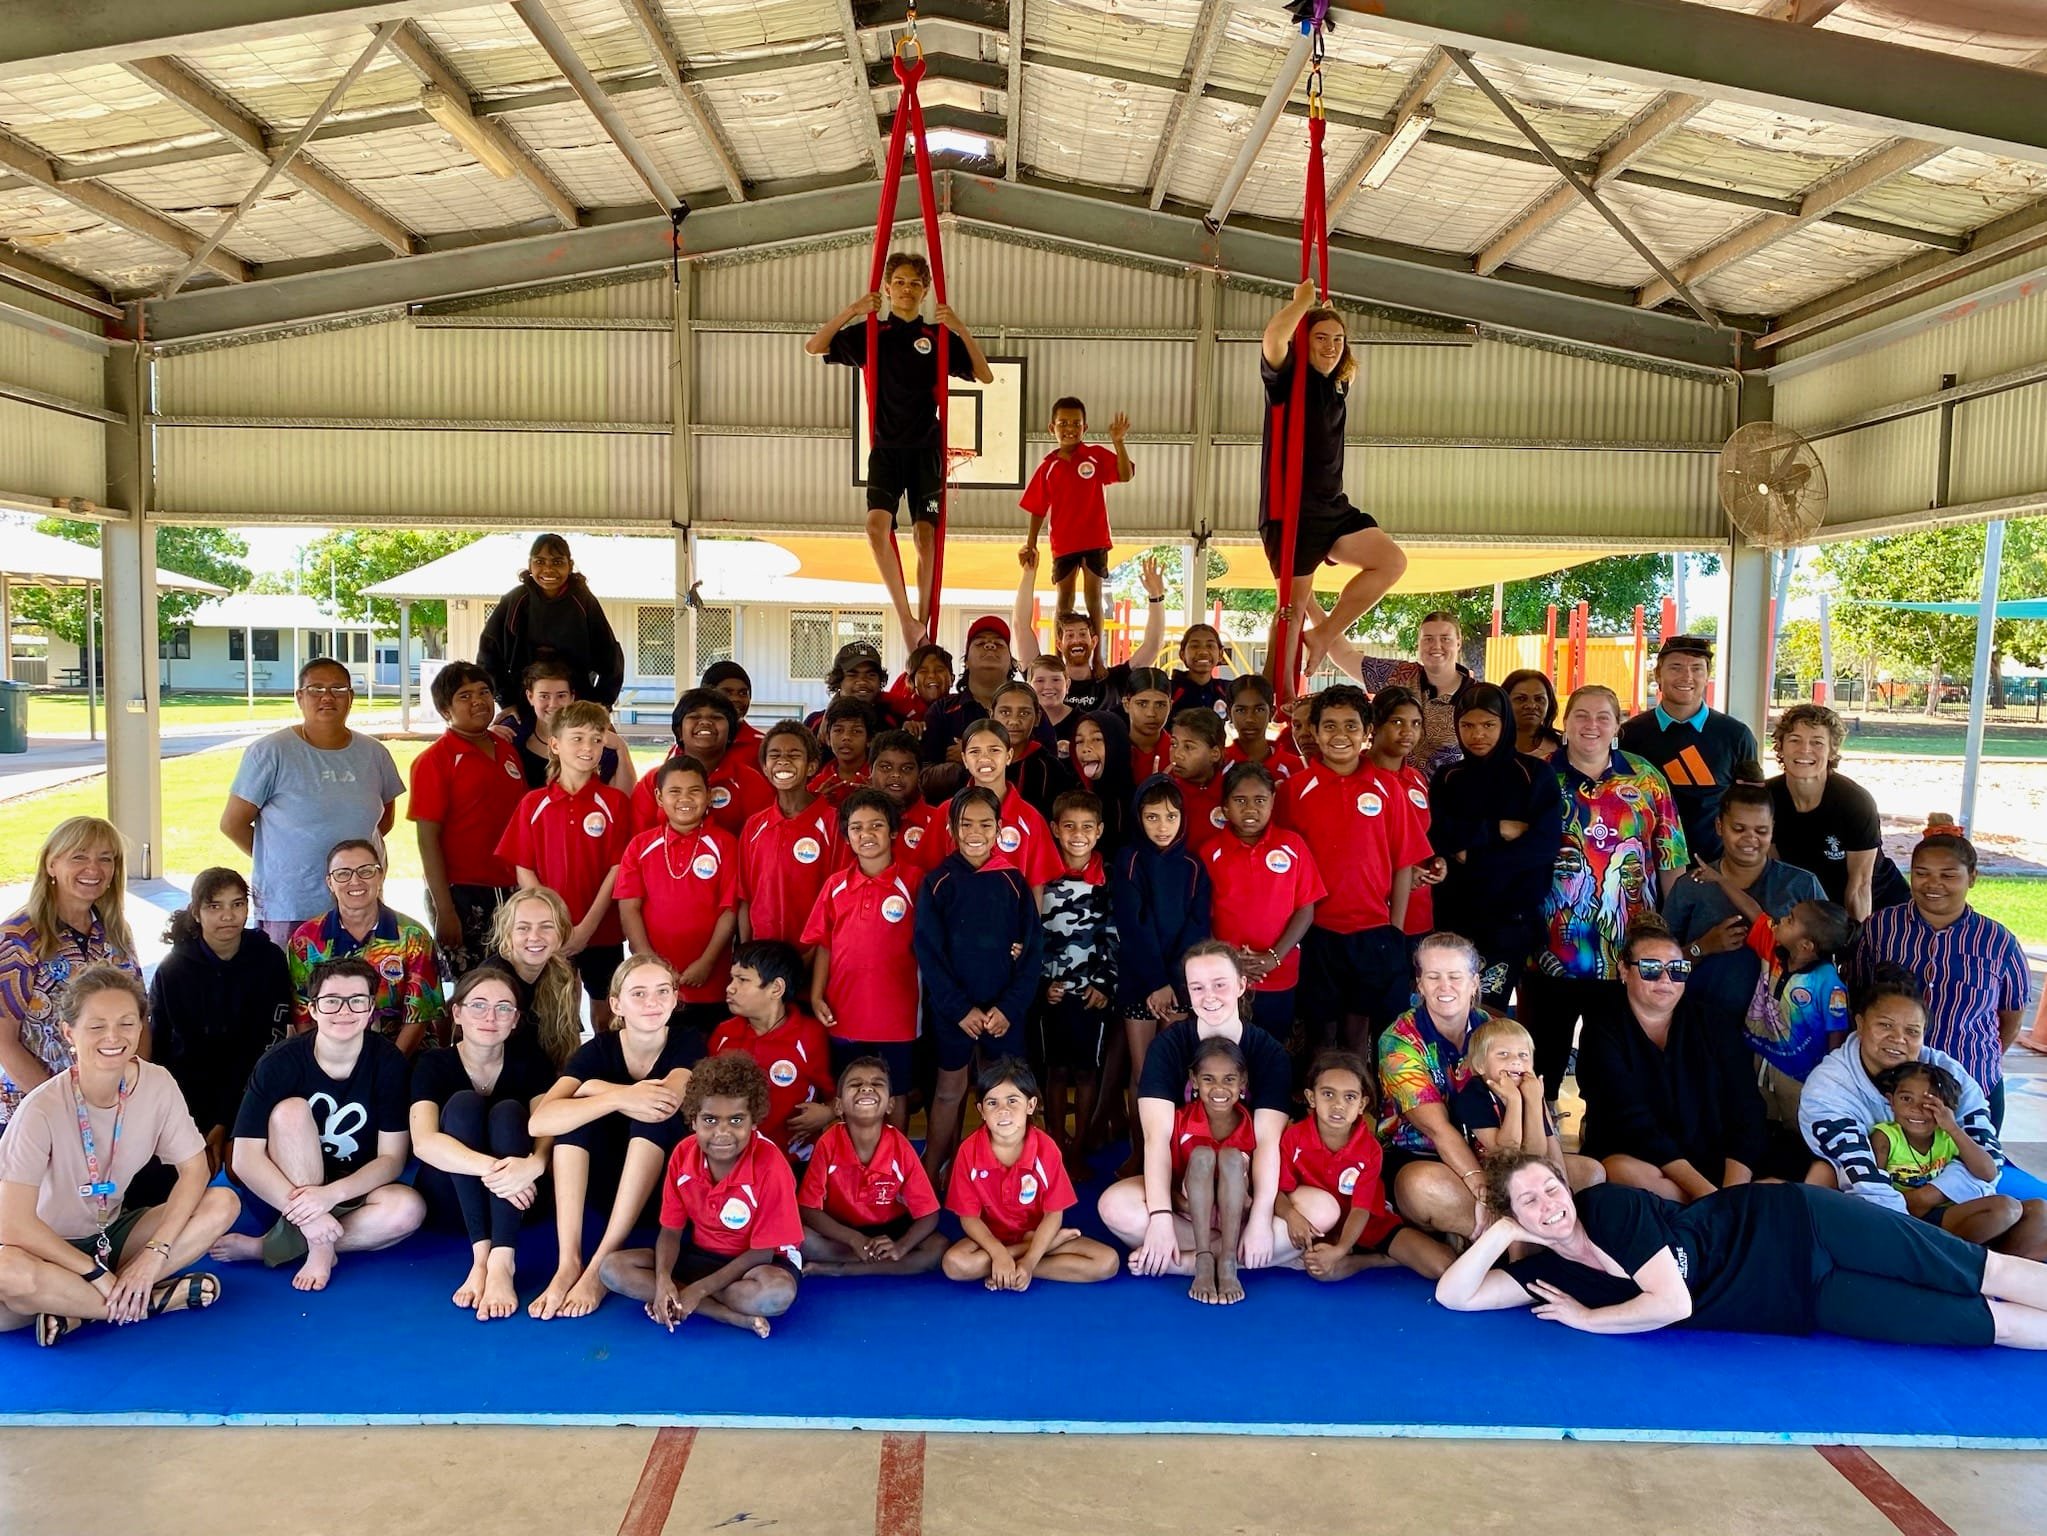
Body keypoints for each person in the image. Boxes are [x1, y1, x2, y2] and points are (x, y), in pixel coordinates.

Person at [1438, 1149, 2047, 1349]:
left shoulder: (1610, 1209)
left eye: (1550, 1187)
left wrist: (1591, 1318)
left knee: (1969, 1270)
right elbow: (1455, 1296)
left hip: (1797, 1225)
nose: (1549, 1206)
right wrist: (1496, 1234)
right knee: (1967, 1321)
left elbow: (1671, 1303)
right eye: (1529, 1204)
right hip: (1798, 1300)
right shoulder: (1548, 1273)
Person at [0, 965, 238, 1346]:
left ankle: (82, 1306)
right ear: (68, 1033)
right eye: (96, 1026)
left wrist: (153, 1256)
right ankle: (149, 1300)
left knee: (222, 1202)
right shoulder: (40, 1109)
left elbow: (195, 1170)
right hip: (44, 1251)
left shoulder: (157, 1083)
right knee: (7, 1273)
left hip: (111, 1235)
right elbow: (13, 1225)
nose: (113, 1037)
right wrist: (93, 1274)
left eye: (127, 1023)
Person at [809, 251, 994, 652]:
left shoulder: (936, 336)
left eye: (915, 283)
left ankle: (922, 624)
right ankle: (906, 617)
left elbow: (984, 374)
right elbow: (815, 346)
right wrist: (854, 310)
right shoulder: (873, 332)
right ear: (888, 288)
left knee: (926, 538)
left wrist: (960, 328)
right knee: (876, 529)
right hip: (888, 449)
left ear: (925, 290)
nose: (907, 289)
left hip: (927, 448)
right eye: (900, 282)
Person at [1799, 966, 2047, 1264]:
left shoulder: (1947, 1073)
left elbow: (1988, 1154)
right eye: (1885, 1026)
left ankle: (1983, 1283)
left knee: (2036, 1212)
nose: (1898, 1039)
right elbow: (1862, 1177)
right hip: (1875, 1213)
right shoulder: (1828, 1086)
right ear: (1861, 1025)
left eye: (1912, 1031)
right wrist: (1909, 1228)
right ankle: (1952, 1272)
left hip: (1936, 1199)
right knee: (1821, 1174)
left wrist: (1927, 1196)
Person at [215, 956, 425, 1293]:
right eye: (331, 1002)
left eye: (357, 1001)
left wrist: (329, 1196)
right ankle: (317, 1245)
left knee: (407, 1210)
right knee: (291, 1112)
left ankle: (268, 1247)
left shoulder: (389, 1064)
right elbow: (244, 1159)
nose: (344, 1011)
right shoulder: (279, 1063)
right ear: (313, 1009)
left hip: (351, 1190)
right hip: (282, 1195)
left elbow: (391, 1160)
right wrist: (308, 1214)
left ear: (371, 1008)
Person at [1521, 683, 1687, 1104]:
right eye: (1581, 715)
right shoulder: (1536, 775)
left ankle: (1608, 1138)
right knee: (1544, 1060)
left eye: (1602, 717)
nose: (1591, 725)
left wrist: (1671, 938)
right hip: (1549, 950)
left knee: (1614, 1063)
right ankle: (1543, 1137)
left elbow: (1670, 859)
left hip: (1626, 953)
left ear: (1617, 726)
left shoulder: (1647, 780)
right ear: (1564, 722)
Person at [1097, 942, 1296, 1280]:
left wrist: (1261, 1218)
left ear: (1241, 985)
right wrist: (1161, 1216)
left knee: (1322, 1210)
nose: (1210, 996)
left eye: (1220, 984)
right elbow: (1156, 1139)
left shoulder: (1268, 1052)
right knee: (1115, 1207)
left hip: (1245, 1194)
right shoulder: (1169, 1046)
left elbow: (1267, 1143)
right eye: (1197, 987)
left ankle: (1185, 1261)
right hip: (1185, 1194)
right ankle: (1237, 1257)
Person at [527, 954, 703, 1320]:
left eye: (662, 991)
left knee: (650, 1119)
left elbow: (666, 1103)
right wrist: (620, 1096)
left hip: (658, 1194)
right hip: (604, 1187)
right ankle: (568, 1262)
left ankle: (599, 1266)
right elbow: (540, 1122)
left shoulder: (689, 1042)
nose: (652, 1002)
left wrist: (592, 1090)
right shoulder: (598, 1050)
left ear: (675, 998)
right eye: (638, 993)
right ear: (617, 1004)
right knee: (573, 1121)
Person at [1259, 281, 1407, 681]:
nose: (1331, 346)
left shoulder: (1337, 385)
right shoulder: (1287, 379)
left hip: (1332, 508)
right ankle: (1280, 696)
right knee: (1290, 610)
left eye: (1338, 339)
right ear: (1304, 343)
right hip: (1292, 512)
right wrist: (1302, 305)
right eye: (1321, 338)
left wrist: (1323, 311)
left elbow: (1344, 364)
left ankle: (1324, 634)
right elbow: (1274, 337)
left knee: (1391, 561)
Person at [600, 1050, 802, 1338]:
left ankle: (687, 1300)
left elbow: (762, 1251)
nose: (722, 1132)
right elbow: (670, 1232)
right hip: (700, 1257)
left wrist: (699, 1289)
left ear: (753, 1121)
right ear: (693, 1120)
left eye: (735, 1121)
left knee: (775, 1295)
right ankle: (726, 1315)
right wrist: (662, 1280)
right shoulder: (683, 1154)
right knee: (612, 1269)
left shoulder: (771, 1164)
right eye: (709, 1120)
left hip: (756, 1263)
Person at [1575, 914, 1771, 1205]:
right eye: (1651, 969)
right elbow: (1631, 1121)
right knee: (1621, 1172)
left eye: (1677, 969)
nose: (1666, 979)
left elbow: (1746, 1107)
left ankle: (1719, 1210)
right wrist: (1708, 1197)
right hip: (1644, 1160)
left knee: (1785, 1178)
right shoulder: (1602, 1030)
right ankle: (1710, 1213)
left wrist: (1731, 1194)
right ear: (1624, 971)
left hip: (1714, 1159)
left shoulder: (1713, 1022)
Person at [1278, 684, 1429, 1054]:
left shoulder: (1388, 789)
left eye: (1351, 726)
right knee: (1319, 1033)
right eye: (1329, 726)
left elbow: (1404, 863)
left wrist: (1394, 930)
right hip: (1316, 932)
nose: (1340, 735)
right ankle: (1319, 1104)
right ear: (1313, 732)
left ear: (1367, 732)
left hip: (1375, 933)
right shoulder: (1293, 791)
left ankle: (1368, 1105)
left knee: (1366, 1034)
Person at [1848, 821, 2028, 1130]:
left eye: (1948, 875)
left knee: (1971, 1174)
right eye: (1922, 873)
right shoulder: (1881, 928)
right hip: (1890, 1089)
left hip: (1971, 1083)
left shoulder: (1997, 941)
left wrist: (1981, 1057)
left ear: (1972, 877)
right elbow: (1859, 993)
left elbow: (2010, 1015)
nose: (1933, 884)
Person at [220, 657, 403, 942]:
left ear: (351, 697)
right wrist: (280, 860)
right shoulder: (269, 752)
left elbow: (384, 819)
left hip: (357, 906)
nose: (327, 697)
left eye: (338, 689)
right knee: (292, 986)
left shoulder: (374, 754)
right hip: (291, 905)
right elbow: (233, 824)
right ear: (299, 696)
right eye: (316, 689)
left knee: (359, 985)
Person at [407, 968, 554, 1322]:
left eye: (504, 1008)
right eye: (479, 1005)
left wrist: (534, 1164)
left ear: (515, 1020)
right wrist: (494, 1170)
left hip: (520, 1201)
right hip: (454, 1202)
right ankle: (481, 1256)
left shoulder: (530, 1061)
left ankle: (502, 1262)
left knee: (508, 1112)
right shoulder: (433, 1063)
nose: (491, 1016)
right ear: (457, 1013)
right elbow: (424, 1143)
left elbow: (549, 1127)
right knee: (463, 1104)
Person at [914, 785, 1043, 1183]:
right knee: (949, 1092)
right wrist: (959, 1010)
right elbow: (929, 954)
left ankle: (1004, 1176)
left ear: (999, 828)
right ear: (951, 829)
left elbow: (1033, 950)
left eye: (985, 824)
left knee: (1005, 1095)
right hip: (955, 1014)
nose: (976, 832)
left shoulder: (1013, 881)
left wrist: (1009, 1008)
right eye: (966, 824)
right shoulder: (938, 882)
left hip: (1004, 1014)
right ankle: (930, 1174)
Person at [495, 699, 635, 1028]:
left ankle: (602, 1072)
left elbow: (618, 868)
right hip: (549, 935)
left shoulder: (614, 803)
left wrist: (585, 928)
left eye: (597, 739)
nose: (588, 748)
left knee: (607, 1012)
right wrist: (554, 925)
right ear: (555, 745)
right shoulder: (534, 803)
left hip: (602, 930)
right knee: (557, 1010)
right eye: (577, 738)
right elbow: (523, 867)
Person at [0, 816, 141, 1136]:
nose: (94, 868)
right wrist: (65, 1108)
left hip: (108, 1110)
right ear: (51, 864)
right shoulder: (19, 937)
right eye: (79, 856)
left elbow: (139, 1017)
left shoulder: (116, 933)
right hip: (36, 1113)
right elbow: (3, 1043)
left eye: (105, 858)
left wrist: (133, 1091)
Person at [1427, 685, 1564, 1007]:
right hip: (1454, 918)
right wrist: (1495, 829)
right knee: (1450, 1008)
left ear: (1505, 725)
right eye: (1468, 725)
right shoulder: (1448, 777)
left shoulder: (1534, 775)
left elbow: (1541, 847)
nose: (1478, 735)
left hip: (1510, 920)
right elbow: (1439, 835)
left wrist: (1469, 855)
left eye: (1488, 725)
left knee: (1490, 1011)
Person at [151, 868, 293, 1172]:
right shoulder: (173, 970)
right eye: (215, 906)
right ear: (197, 913)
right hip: (187, 1092)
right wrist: (197, 1120)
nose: (228, 916)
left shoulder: (269, 960)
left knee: (241, 1166)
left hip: (251, 1085)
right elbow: (163, 1051)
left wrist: (226, 1120)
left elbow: (266, 1043)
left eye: (237, 904)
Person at [1275, 1050, 1453, 1284]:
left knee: (1442, 1266)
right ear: (1311, 1098)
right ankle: (1356, 1258)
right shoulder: (1292, 1138)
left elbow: (1361, 1210)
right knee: (1322, 1272)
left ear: (1362, 1104)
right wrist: (1291, 1216)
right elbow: (1276, 1190)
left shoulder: (1369, 1149)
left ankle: (1371, 1259)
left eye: (1350, 1097)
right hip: (1321, 1228)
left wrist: (1340, 1249)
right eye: (1328, 1094)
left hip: (1368, 1225)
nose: (1338, 1105)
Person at [941, 1059, 1118, 1289]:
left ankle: (1014, 1270)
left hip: (1038, 1236)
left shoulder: (1046, 1149)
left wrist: (1029, 1263)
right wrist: (998, 1253)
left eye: (1013, 1100)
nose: (1003, 1110)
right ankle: (1024, 1255)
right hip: (990, 1239)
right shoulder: (968, 1151)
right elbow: (969, 1217)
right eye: (992, 1102)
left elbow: (1053, 1215)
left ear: (1031, 1105)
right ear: (981, 1111)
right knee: (954, 1264)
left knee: (1107, 1262)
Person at [805, 790, 923, 1128]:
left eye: (876, 826)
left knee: (894, 1093)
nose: (866, 834)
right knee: (848, 1091)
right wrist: (816, 995)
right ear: (846, 836)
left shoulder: (915, 882)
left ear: (894, 832)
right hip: (844, 1012)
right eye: (856, 828)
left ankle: (893, 1165)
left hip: (897, 1014)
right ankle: (850, 1164)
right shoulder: (834, 886)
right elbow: (824, 945)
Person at [1691, 873, 1857, 1115]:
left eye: (1790, 920)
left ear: (1806, 946)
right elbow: (1753, 910)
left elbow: (1837, 1032)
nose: (1780, 919)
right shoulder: (1773, 947)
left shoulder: (1828, 984)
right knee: (1758, 1116)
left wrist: (1829, 1077)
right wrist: (1720, 879)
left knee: (1796, 1125)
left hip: (1800, 1074)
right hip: (1759, 1057)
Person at [1661, 782, 1825, 1022]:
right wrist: (1703, 947)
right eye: (1738, 828)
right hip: (1701, 1025)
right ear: (1719, 826)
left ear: (1773, 830)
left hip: (1783, 1033)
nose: (1750, 839)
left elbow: (1827, 958)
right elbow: (1659, 967)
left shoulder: (1801, 885)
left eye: (1761, 831)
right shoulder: (1690, 886)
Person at [1110, 779, 1211, 1166]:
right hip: (1142, 982)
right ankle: (1140, 1151)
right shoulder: (1129, 860)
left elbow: (1196, 926)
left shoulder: (1193, 865)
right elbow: (1133, 927)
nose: (1162, 825)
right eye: (1152, 817)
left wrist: (1173, 982)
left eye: (1171, 816)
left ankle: (1170, 1153)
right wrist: (1156, 982)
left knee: (1173, 1071)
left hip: (1181, 984)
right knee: (1142, 1070)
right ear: (1139, 818)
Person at [410, 660, 527, 976]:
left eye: (484, 691)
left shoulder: (507, 749)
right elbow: (427, 839)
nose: (478, 701)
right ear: (445, 709)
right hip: (462, 893)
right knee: (473, 989)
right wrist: (445, 909)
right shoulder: (434, 761)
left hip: (513, 889)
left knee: (516, 983)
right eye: (464, 695)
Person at [1375, 933, 1494, 1240]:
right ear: (1420, 984)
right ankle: (1504, 1237)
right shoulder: (1398, 1040)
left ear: (1474, 982)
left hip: (1491, 1152)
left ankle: (1496, 1235)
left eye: (1455, 976)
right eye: (1433, 976)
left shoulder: (1496, 1033)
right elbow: (1437, 1130)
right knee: (1423, 1186)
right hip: (1421, 1155)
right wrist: (1482, 1188)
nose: (1445, 987)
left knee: (1589, 1174)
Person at [616, 755, 740, 1035]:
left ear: (709, 796)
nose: (685, 798)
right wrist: (649, 961)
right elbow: (629, 909)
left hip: (710, 983)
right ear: (659, 797)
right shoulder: (640, 846)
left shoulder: (726, 845)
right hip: (654, 986)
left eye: (694, 791)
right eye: (675, 791)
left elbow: (729, 910)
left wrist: (706, 962)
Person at [286, 839, 446, 1056]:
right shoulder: (305, 939)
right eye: (343, 873)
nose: (355, 881)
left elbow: (420, 1015)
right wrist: (324, 1062)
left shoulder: (413, 936)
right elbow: (303, 1015)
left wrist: (388, 1067)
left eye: (366, 871)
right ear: (329, 882)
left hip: (402, 1053)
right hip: (329, 1053)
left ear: (380, 876)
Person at [1203, 761, 1323, 1041]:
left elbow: (1306, 909)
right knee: (1225, 1053)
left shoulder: (1293, 846)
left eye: (1259, 800)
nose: (1250, 809)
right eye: (1240, 801)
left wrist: (1274, 958)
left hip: (1278, 976)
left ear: (1272, 802)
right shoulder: (1210, 853)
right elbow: (1202, 917)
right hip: (1225, 978)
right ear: (1224, 807)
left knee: (1271, 1052)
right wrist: (1229, 962)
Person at [1872, 1060, 2046, 1250]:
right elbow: (1874, 1190)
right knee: (2004, 1208)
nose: (1916, 1108)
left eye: (1929, 1103)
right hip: (1915, 1218)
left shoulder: (1947, 1137)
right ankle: (1961, 1265)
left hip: (1953, 1211)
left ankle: (2001, 1270)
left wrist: (1953, 1128)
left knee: (2039, 1210)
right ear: (1891, 1101)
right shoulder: (1886, 1137)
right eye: (1906, 1099)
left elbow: (1988, 1172)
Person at [797, 1056, 947, 1277]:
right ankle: (877, 1261)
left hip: (891, 1229)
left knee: (938, 1248)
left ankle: (845, 1269)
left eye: (877, 1084)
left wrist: (901, 1246)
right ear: (838, 1106)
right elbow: (808, 1209)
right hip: (843, 1231)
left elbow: (929, 1214)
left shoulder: (901, 1147)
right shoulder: (827, 1143)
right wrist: (853, 1238)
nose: (866, 1088)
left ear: (890, 1104)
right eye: (856, 1084)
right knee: (800, 1239)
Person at [1615, 634, 1757, 864]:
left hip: (1716, 870)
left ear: (1707, 676)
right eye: (1676, 667)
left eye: (1697, 668)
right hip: (1645, 866)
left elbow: (1751, 806)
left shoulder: (1736, 735)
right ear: (1657, 676)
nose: (1687, 676)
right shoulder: (1629, 735)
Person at [1036, 789, 1116, 1179]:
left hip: (1090, 997)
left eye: (1087, 827)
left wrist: (1104, 984)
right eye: (1068, 826)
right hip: (1052, 995)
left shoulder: (1108, 880)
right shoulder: (1040, 877)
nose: (1078, 835)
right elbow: (1032, 935)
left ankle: (1078, 1148)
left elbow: (1116, 937)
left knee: (1086, 1072)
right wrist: (1042, 983)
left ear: (1099, 831)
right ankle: (1054, 1146)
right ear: (1054, 829)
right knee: (1054, 1071)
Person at [1766, 703, 1909, 919]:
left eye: (1817, 742)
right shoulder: (1768, 798)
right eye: (1795, 740)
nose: (1805, 750)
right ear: (1781, 746)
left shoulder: (1854, 802)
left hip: (1878, 905)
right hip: (1815, 908)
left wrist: (1853, 941)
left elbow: (1860, 885)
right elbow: (1778, 876)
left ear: (1832, 750)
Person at [706, 942, 834, 1156]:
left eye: (743, 980)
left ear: (776, 988)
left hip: (793, 1161)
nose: (730, 987)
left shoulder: (810, 1037)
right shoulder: (723, 1034)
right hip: (733, 1158)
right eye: (732, 978)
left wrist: (828, 1113)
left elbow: (836, 1092)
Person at [1018, 397, 1133, 628]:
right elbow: (1037, 508)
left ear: (1085, 428)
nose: (1069, 428)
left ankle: (1097, 657)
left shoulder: (1096, 456)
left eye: (1075, 423)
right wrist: (1031, 543)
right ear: (1052, 428)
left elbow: (1125, 475)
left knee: (1094, 598)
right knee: (1064, 599)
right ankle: (1061, 655)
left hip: (1094, 538)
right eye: (1063, 423)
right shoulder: (1048, 466)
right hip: (1064, 542)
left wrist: (1118, 443)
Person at [476, 533, 624, 709]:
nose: (548, 569)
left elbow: (610, 657)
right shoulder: (516, 600)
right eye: (540, 562)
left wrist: (600, 704)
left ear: (570, 565)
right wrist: (507, 701)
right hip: (523, 702)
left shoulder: (583, 601)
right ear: (530, 565)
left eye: (557, 562)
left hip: (575, 702)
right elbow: (489, 654)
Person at [1011, 554, 1168, 717]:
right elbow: (1020, 627)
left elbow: (1152, 646)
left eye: (1082, 634)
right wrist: (1029, 574)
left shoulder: (1112, 681)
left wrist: (1156, 598)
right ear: (1059, 644)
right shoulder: (1045, 679)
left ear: (1093, 641)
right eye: (1070, 635)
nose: (1076, 640)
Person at [927, 717, 1064, 890]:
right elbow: (928, 874)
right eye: (975, 751)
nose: (984, 758)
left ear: (1009, 756)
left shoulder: (1030, 818)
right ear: (964, 759)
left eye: (994, 750)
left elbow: (1036, 886)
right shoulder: (946, 812)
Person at [1170, 1037, 1257, 1305]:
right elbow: (1167, 1182)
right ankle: (1204, 1259)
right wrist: (1183, 1202)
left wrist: (1246, 1204)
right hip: (1191, 1216)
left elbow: (1258, 1187)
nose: (1219, 1088)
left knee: (1231, 1158)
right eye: (1208, 1079)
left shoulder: (1252, 1124)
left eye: (1229, 1079)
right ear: (1194, 1081)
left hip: (1236, 1216)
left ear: (1242, 1081)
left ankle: (1228, 1259)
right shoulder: (1179, 1122)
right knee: (1203, 1155)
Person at [1453, 1017, 1593, 1183]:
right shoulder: (1474, 1095)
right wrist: (1514, 1101)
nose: (1516, 1061)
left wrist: (1534, 1102)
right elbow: (1506, 1155)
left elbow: (1536, 1154)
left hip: (1522, 1172)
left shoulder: (1530, 1090)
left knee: (1593, 1171)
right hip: (1488, 1178)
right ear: (1480, 1065)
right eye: (1503, 1054)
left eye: (1523, 1055)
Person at [738, 721, 840, 945]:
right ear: (765, 767)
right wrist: (746, 952)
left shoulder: (834, 823)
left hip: (813, 955)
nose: (783, 761)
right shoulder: (754, 826)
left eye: (794, 755)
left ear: (811, 767)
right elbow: (745, 898)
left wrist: (813, 956)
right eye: (774, 755)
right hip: (763, 958)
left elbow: (838, 899)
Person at [630, 688, 774, 840]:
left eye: (716, 717)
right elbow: (638, 843)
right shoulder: (653, 780)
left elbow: (762, 844)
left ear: (731, 731)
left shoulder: (751, 782)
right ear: (679, 731)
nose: (705, 722)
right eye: (694, 716)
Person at [1364, 686, 1447, 936]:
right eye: (1397, 721)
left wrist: (1436, 862)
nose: (1407, 731)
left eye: (1416, 723)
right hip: (1372, 916)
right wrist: (1398, 874)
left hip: (1419, 914)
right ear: (1375, 725)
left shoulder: (1417, 779)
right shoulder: (1356, 777)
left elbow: (1420, 837)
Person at [1359, 611, 1474, 776]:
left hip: (1447, 796)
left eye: (1445, 639)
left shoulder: (1477, 697)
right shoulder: (1400, 674)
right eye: (1428, 639)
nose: (1436, 646)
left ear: (1458, 643)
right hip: (1381, 788)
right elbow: (1342, 653)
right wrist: (1309, 601)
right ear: (1418, 643)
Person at [499, 659, 634, 794]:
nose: (553, 704)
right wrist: (488, 736)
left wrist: (621, 747)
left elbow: (623, 798)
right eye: (544, 696)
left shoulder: (595, 741)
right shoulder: (512, 735)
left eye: (561, 695)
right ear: (530, 697)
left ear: (572, 697)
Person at [484, 887, 583, 1070]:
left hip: (540, 1078)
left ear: (562, 932)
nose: (534, 937)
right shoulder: (494, 980)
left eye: (546, 927)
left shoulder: (562, 972)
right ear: (508, 933)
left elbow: (568, 1045)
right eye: (523, 928)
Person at [920, 615, 1020, 766]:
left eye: (999, 643)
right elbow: (927, 775)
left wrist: (973, 755)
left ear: (1012, 663)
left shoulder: (1029, 709)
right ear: (966, 661)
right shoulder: (942, 711)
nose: (990, 646)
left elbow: (1044, 765)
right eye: (980, 643)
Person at [867, 730, 945, 872]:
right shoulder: (853, 822)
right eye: (886, 767)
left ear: (920, 774)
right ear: (870, 770)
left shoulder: (939, 822)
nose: (896, 775)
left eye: (907, 769)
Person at [802, 641, 903, 737]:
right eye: (852, 675)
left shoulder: (895, 723)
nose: (862, 681)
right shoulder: (815, 723)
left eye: (871, 675)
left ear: (880, 680)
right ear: (838, 680)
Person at [1167, 708, 1228, 856]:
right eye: (1174, 744)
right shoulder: (1168, 794)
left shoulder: (1232, 792)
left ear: (1215, 754)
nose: (1177, 754)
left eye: (1188, 747)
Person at [1222, 674, 1303, 784]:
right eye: (1241, 710)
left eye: (1259, 710)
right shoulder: (1220, 763)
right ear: (1229, 714)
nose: (1249, 719)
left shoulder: (1292, 765)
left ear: (1272, 713)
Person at [1072, 711, 1133, 851]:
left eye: (1097, 739)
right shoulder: (1071, 795)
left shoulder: (1136, 800)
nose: (1086, 748)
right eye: (1079, 741)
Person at [810, 697, 878, 806]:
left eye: (856, 731)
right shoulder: (818, 785)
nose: (846, 737)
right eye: (838, 730)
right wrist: (818, 804)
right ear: (827, 738)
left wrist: (881, 797)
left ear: (869, 739)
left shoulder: (879, 778)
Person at [1122, 667, 1175, 783]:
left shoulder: (1177, 753)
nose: (1151, 713)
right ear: (1126, 704)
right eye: (1142, 704)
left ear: (1170, 706)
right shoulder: (1112, 750)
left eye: (1160, 705)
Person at [701, 661, 763, 758]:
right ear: (706, 696)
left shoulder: (763, 746)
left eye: (743, 693)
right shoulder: (690, 744)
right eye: (727, 692)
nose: (736, 699)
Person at [1502, 668, 1563, 756]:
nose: (1531, 705)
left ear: (1549, 704)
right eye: (1521, 699)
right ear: (1504, 702)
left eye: (1539, 699)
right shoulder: (1489, 745)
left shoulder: (1562, 747)